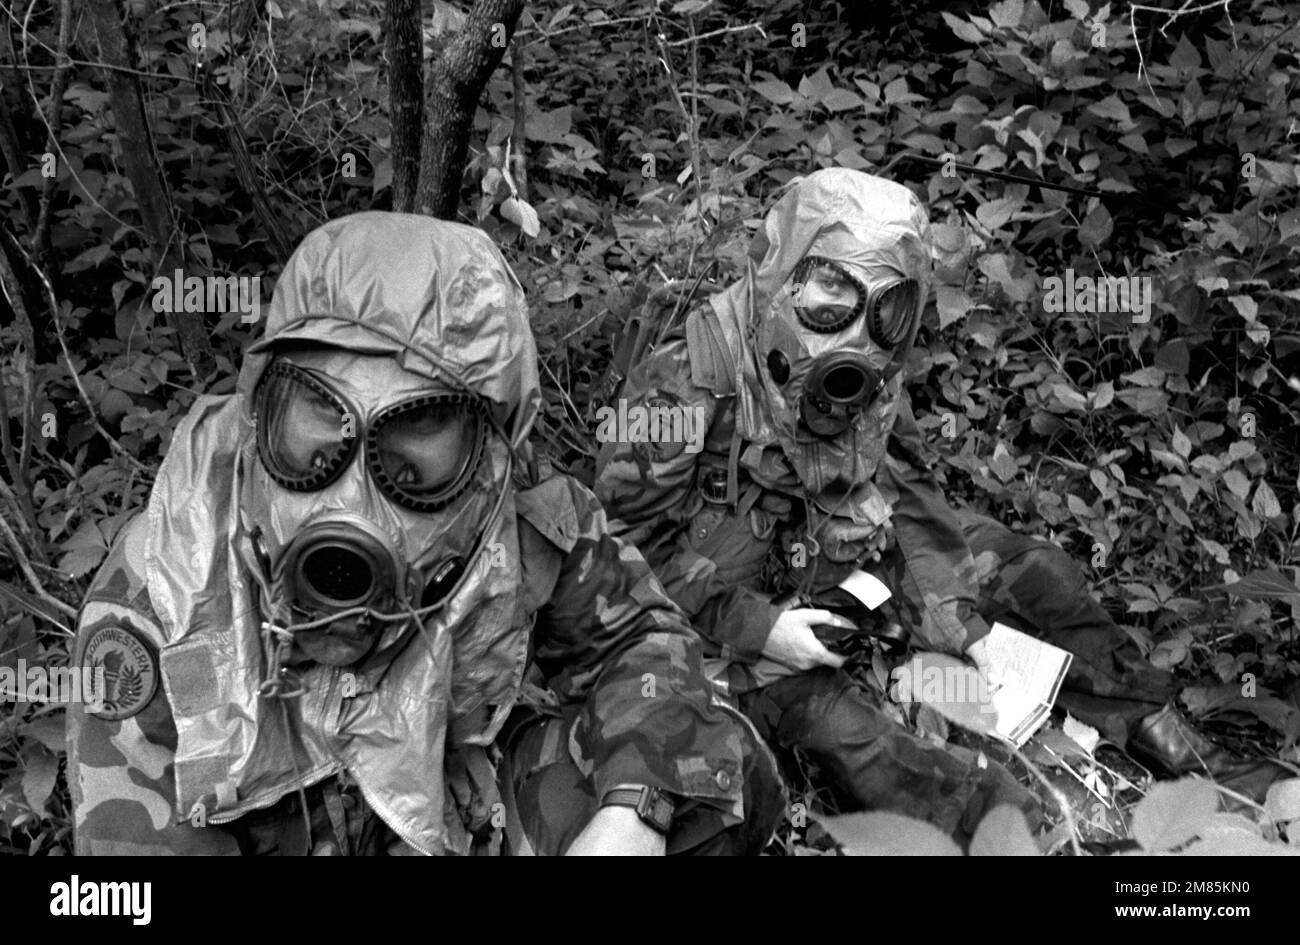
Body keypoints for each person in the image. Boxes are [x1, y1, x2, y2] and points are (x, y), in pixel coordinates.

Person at [594, 168, 1280, 842]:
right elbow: (621, 553)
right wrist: (761, 628)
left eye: (884, 306)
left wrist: (960, 625)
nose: (854, 328)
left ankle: (1188, 752)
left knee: (1035, 572)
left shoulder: (876, 364)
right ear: (785, 273)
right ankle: (1027, 827)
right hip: (733, 610)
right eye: (832, 290)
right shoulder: (682, 382)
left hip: (849, 556)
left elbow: (909, 495)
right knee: (841, 727)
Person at [67, 212, 783, 856]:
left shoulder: (520, 520)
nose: (351, 501)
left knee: (720, 776)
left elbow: (642, 643)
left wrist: (637, 810)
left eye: (413, 451)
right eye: (317, 432)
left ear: (490, 458)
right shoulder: (165, 586)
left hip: (443, 812)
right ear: (259, 418)